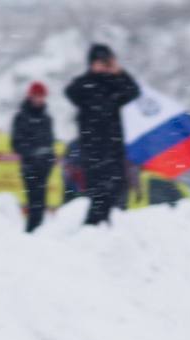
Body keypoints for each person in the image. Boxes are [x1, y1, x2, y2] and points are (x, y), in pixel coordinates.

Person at [65, 44, 140, 225]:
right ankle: (92, 230)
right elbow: (70, 92)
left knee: (116, 191)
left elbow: (133, 91)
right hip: (92, 149)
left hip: (113, 148)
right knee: (98, 194)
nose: (104, 65)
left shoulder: (113, 84)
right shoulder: (84, 85)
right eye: (101, 61)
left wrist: (118, 71)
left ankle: (103, 231)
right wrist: (93, 72)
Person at [11, 81, 55, 233]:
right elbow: (16, 143)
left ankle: (38, 233)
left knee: (41, 203)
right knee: (34, 203)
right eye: (36, 96)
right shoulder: (21, 117)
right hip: (29, 167)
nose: (38, 99)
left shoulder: (47, 119)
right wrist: (32, 154)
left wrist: (48, 159)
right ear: (30, 96)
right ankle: (31, 233)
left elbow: (50, 142)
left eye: (41, 96)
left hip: (44, 167)